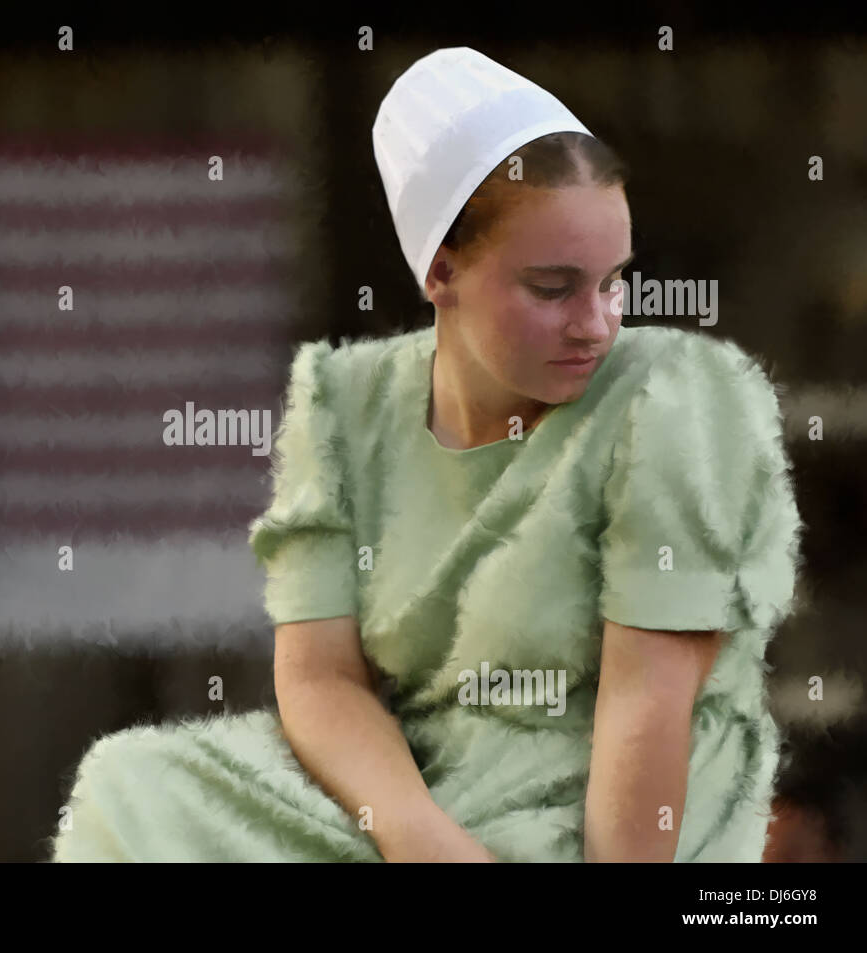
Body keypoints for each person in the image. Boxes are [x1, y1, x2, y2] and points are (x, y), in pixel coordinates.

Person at [47, 48, 804, 862]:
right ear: (442, 271)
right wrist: (418, 836)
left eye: (614, 281)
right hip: (421, 791)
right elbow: (320, 678)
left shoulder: (678, 394)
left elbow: (647, 703)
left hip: (593, 804)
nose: (597, 322)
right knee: (129, 783)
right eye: (554, 288)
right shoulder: (341, 401)